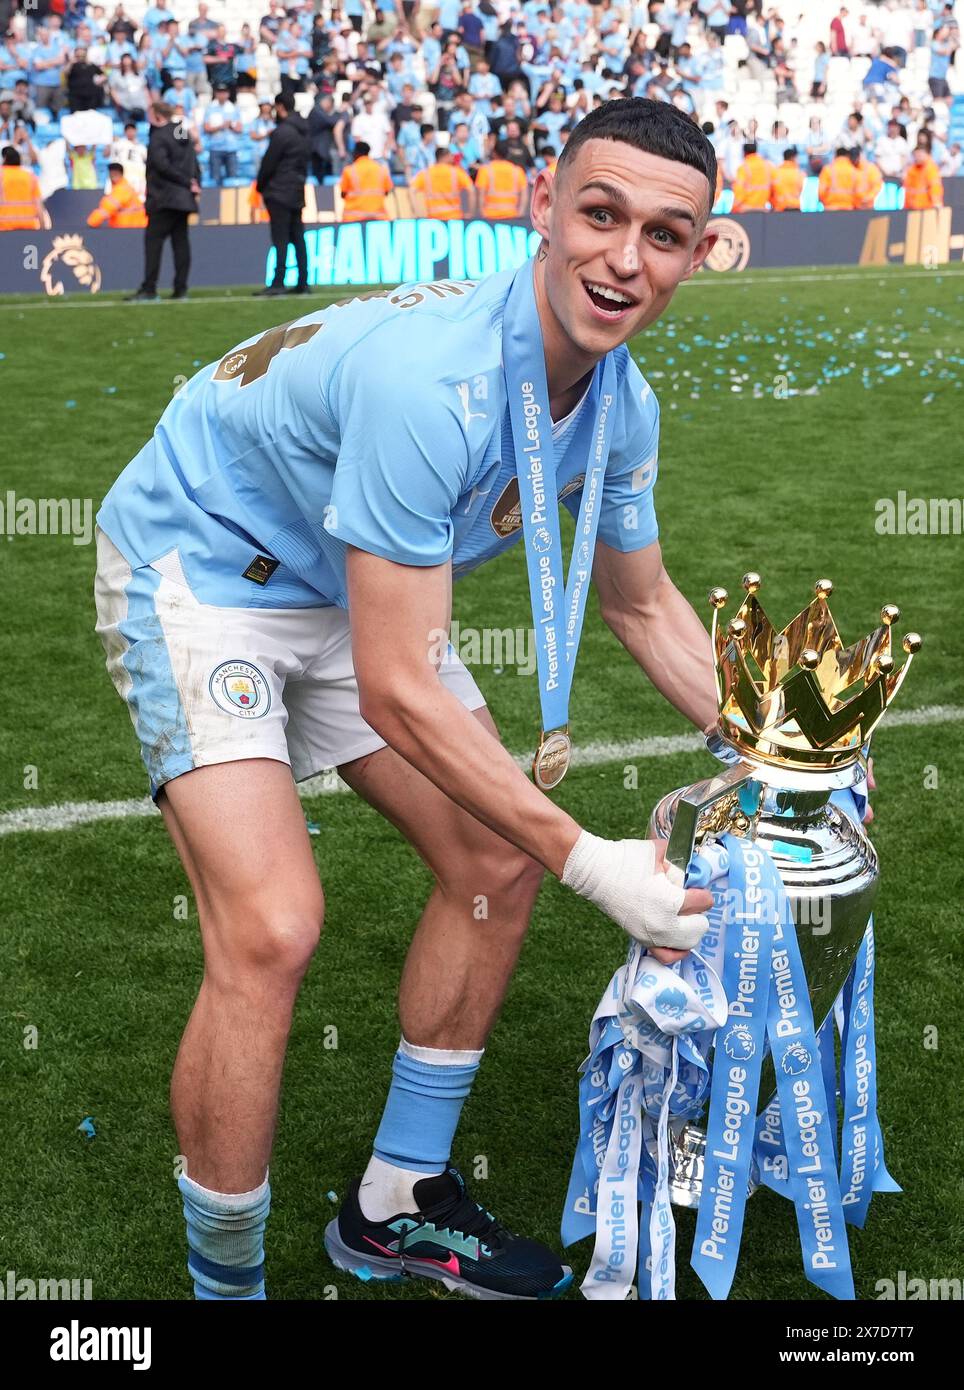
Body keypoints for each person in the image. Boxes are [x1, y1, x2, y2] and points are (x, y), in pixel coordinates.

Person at [92, 97, 720, 1304]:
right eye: (599, 214)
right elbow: (396, 685)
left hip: (354, 575)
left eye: (663, 232)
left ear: (699, 250)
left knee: (494, 855)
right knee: (273, 923)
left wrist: (775, 750)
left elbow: (642, 608)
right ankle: (222, 1289)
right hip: (204, 562)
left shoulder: (624, 403)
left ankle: (395, 1202)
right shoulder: (434, 381)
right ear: (542, 207)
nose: (625, 258)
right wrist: (593, 858)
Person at [127, 101, 200, 302]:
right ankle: (181, 289)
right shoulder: (182, 133)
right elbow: (194, 161)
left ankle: (149, 288)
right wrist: (194, 183)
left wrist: (186, 181)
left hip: (164, 198)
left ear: (158, 116)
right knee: (181, 243)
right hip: (183, 198)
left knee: (153, 242)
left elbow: (161, 165)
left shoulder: (159, 136)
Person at [254, 91, 309, 298]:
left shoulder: (283, 132)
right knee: (297, 237)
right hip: (296, 189)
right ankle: (303, 281)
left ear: (280, 107)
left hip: (279, 190)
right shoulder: (304, 131)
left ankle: (278, 282)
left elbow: (269, 162)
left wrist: (260, 185)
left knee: (280, 239)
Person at [409, 144, 475, 219]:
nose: (452, 158)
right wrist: (470, 213)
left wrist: (416, 212)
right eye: (451, 155)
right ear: (445, 157)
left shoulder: (426, 173)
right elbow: (471, 190)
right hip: (454, 219)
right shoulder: (457, 172)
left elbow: (411, 191)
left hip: (434, 220)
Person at [339, 139, 395, 220]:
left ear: (356, 152)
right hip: (378, 217)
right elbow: (386, 192)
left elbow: (343, 194)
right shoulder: (382, 169)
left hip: (353, 218)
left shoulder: (349, 170)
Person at [475, 139, 529, 218]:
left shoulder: (485, 170)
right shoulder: (517, 171)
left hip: (490, 215)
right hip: (511, 215)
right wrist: (520, 213)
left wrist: (482, 213)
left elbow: (481, 195)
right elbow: (524, 194)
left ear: (494, 153)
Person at [87, 161, 148, 226]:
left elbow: (105, 210)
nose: (111, 177)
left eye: (111, 175)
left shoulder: (120, 190)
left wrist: (91, 222)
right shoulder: (126, 187)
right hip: (135, 227)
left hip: (127, 228)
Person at [204, 84, 243, 186]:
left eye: (224, 92)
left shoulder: (234, 108)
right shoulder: (210, 108)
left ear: (228, 94)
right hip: (215, 148)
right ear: (216, 93)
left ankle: (230, 202)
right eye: (219, 92)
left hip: (231, 148)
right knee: (215, 180)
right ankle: (213, 202)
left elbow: (240, 129)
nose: (222, 94)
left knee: (232, 180)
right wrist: (221, 126)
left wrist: (230, 126)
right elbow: (206, 128)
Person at [0, 146, 44, 230]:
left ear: (4, 159)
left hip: (4, 228)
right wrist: (43, 228)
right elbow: (38, 205)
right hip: (28, 228)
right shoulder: (30, 176)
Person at [731, 141, 772, 211]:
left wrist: (733, 208)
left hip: (746, 209)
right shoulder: (767, 166)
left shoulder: (743, 168)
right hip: (763, 209)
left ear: (744, 152)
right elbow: (775, 186)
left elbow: (739, 189)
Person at [903, 140, 943, 209]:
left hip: (927, 208)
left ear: (926, 154)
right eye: (915, 155)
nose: (917, 158)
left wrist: (936, 202)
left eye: (919, 155)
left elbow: (935, 187)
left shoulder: (931, 169)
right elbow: (908, 189)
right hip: (912, 208)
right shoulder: (911, 169)